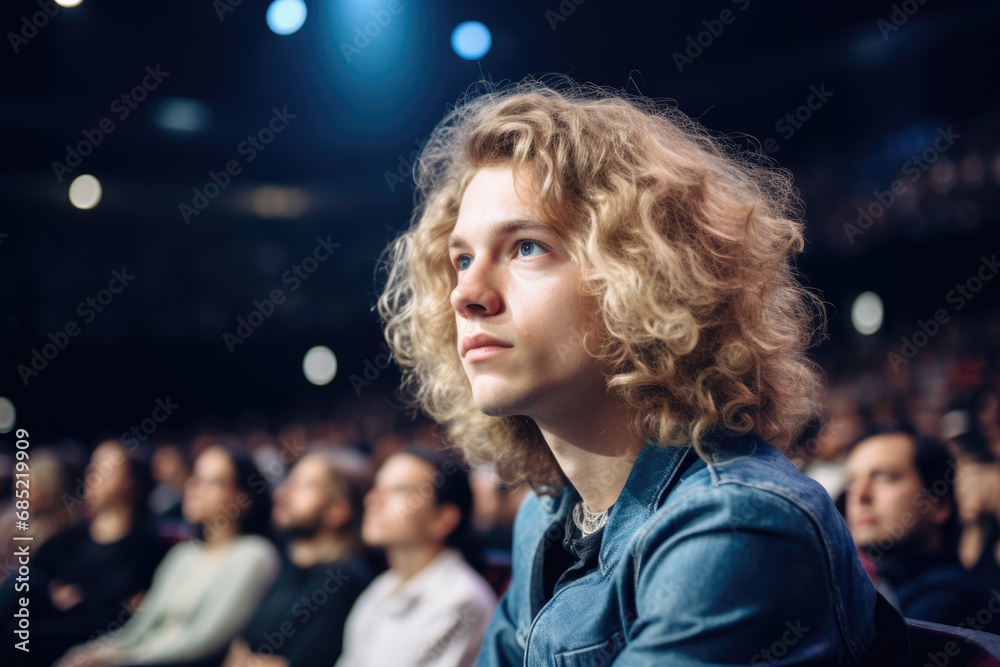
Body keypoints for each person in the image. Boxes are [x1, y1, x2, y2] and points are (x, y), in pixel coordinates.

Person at [374, 76, 911, 664]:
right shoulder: (545, 515)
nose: (465, 294)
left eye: (527, 246)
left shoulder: (736, 525)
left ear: (645, 274)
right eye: (462, 259)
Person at [55, 443, 280, 667]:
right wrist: (89, 652)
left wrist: (115, 659)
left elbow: (203, 643)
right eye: (195, 477)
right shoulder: (183, 555)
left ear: (243, 499)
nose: (195, 488)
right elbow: (137, 630)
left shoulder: (254, 555)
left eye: (213, 482)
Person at [0, 440, 167, 666]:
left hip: (88, 635)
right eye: (92, 466)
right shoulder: (72, 536)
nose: (91, 474)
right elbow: (39, 572)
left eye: (104, 469)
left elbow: (127, 603)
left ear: (131, 483)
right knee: (23, 583)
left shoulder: (147, 546)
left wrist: (77, 596)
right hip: (43, 627)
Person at [335, 445, 498, 667]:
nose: (373, 499)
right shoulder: (379, 590)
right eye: (377, 486)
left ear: (443, 519)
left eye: (401, 490)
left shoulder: (462, 600)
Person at [222, 448, 374, 667]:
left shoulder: (345, 580)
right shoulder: (289, 568)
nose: (283, 493)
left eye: (305, 486)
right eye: (289, 482)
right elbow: (238, 651)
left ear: (337, 511)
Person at [845, 424, 1000, 632]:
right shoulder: (873, 583)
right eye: (852, 481)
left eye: (884, 476)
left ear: (938, 505)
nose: (860, 495)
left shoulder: (950, 598)